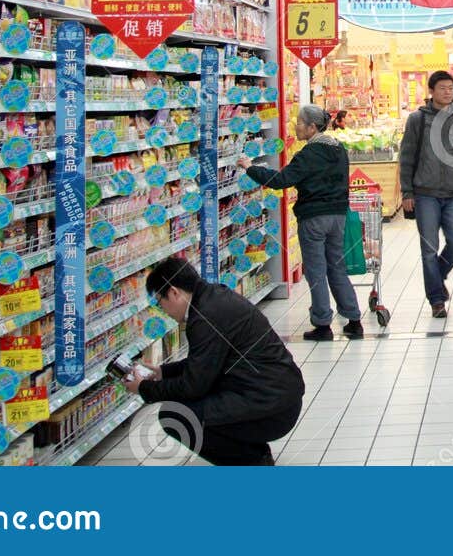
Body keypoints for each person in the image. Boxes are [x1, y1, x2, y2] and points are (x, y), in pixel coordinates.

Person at [127, 257, 305, 466]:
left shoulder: (204, 317)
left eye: (160, 302)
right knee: (197, 404)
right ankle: (254, 453)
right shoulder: (212, 298)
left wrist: (145, 388)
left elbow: (194, 386)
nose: (162, 310)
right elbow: (208, 362)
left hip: (272, 406)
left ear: (174, 292)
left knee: (174, 416)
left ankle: (252, 461)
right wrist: (163, 372)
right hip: (277, 396)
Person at [246, 104, 362, 340]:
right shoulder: (338, 149)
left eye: (299, 122)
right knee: (336, 267)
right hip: (338, 215)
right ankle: (354, 320)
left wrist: (250, 168)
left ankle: (322, 325)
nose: (295, 126)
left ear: (311, 127)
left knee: (317, 271)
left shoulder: (308, 154)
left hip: (313, 217)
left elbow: (281, 180)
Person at [398, 70, 453, 318]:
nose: (447, 92)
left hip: (452, 193)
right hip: (424, 195)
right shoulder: (417, 120)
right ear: (431, 91)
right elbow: (407, 157)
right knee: (428, 249)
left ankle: (437, 278)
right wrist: (407, 192)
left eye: (450, 88)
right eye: (442, 87)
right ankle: (436, 300)